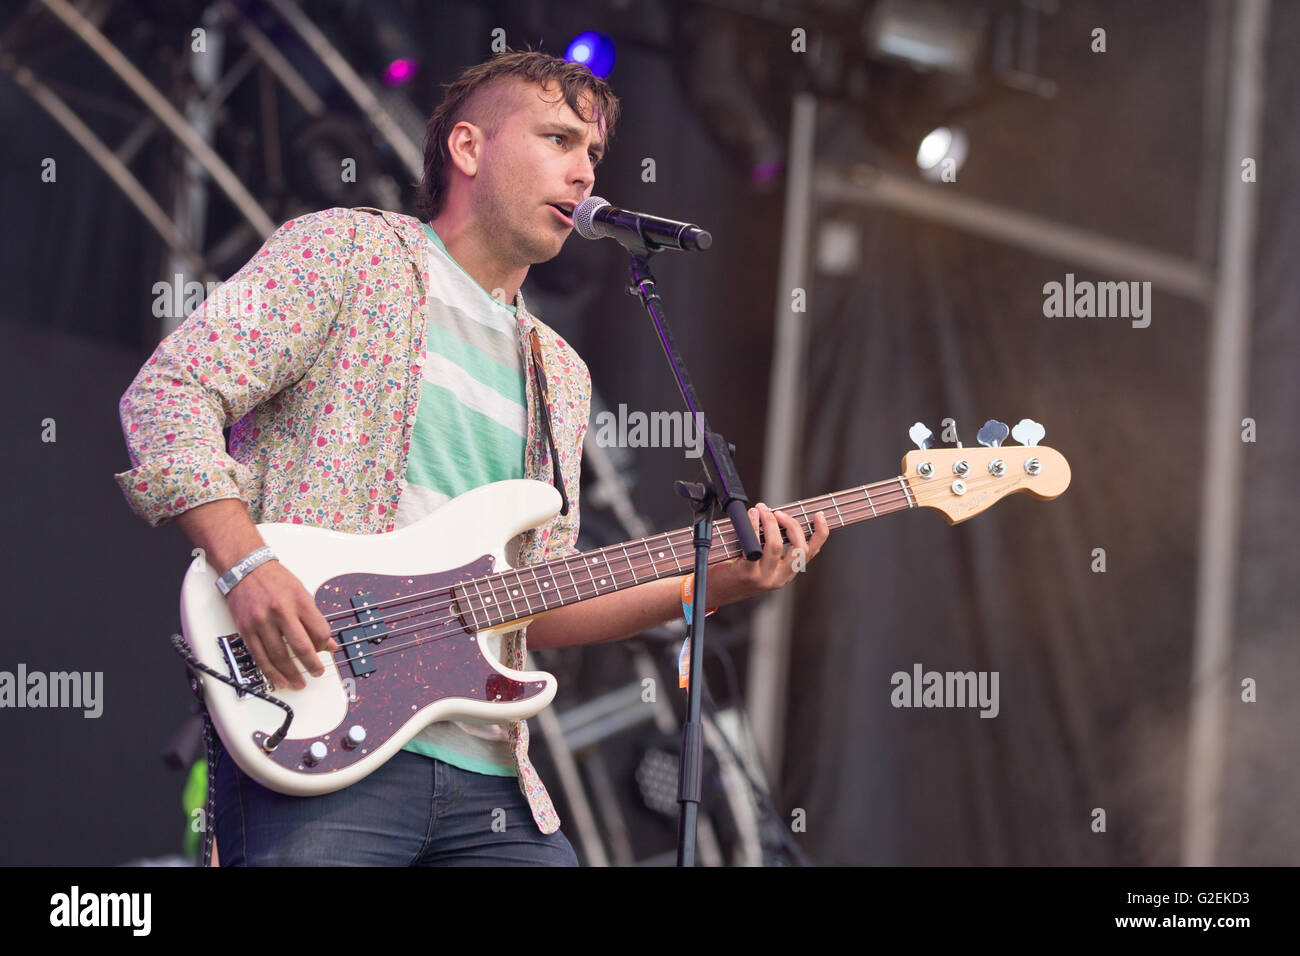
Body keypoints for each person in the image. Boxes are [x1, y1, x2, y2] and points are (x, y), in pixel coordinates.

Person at [115, 49, 830, 866]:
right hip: (319, 738)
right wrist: (246, 566)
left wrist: (715, 584)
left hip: (492, 777)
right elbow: (168, 394)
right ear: (467, 149)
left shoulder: (559, 372)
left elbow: (539, 602)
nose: (584, 173)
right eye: (560, 140)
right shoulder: (348, 255)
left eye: (593, 154)